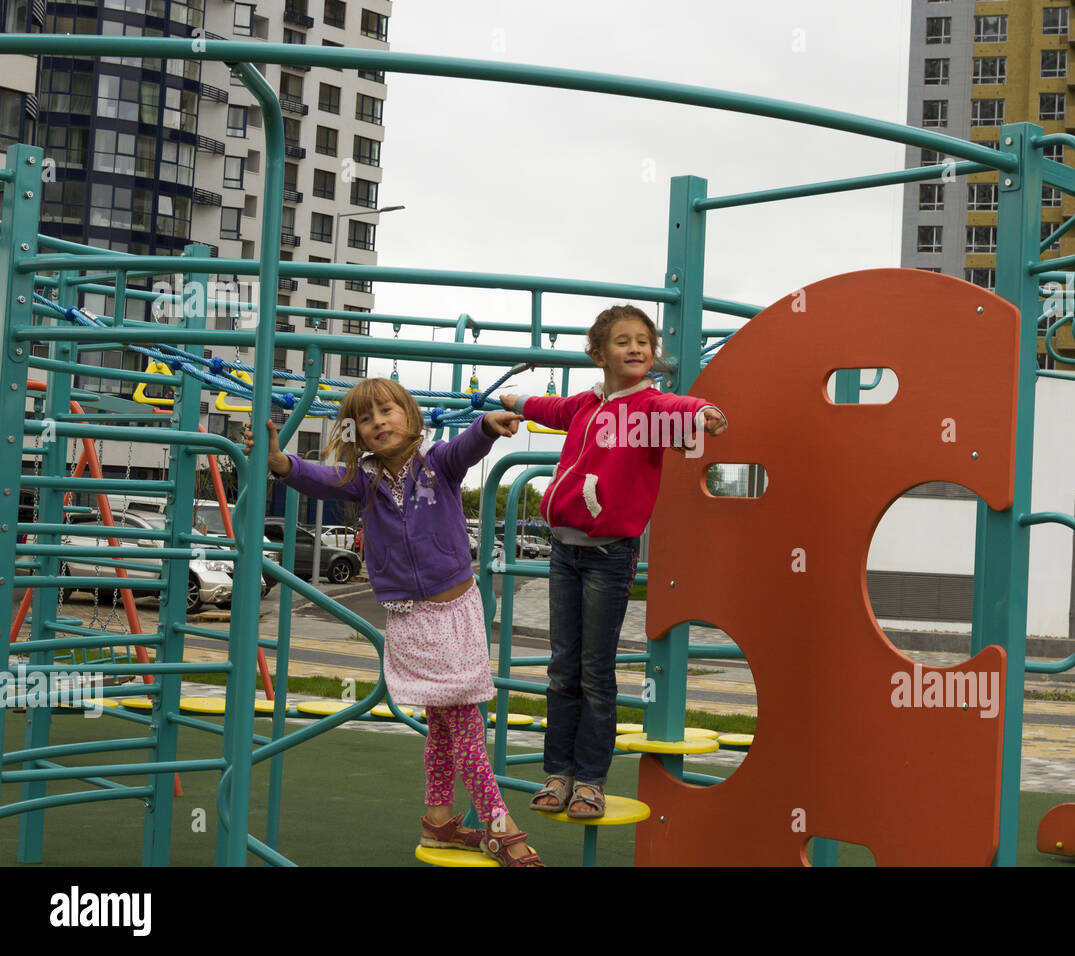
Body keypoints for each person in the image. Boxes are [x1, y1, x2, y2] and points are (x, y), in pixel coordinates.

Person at [244, 378, 542, 866]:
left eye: (387, 410)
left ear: (410, 416)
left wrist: (486, 424)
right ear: (356, 433)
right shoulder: (363, 480)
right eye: (366, 418)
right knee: (455, 721)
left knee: (453, 720)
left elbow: (467, 447)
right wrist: (280, 463)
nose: (378, 422)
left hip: (459, 610)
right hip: (411, 616)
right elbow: (319, 478)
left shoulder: (438, 463)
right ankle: (492, 823)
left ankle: (440, 819)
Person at [500, 304, 728, 819]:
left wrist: (705, 414)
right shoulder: (587, 403)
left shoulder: (649, 407)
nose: (636, 349)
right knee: (562, 668)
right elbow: (548, 407)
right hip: (563, 551)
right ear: (599, 353)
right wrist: (513, 399)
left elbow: (682, 407)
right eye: (623, 341)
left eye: (643, 342)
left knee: (595, 672)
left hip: (608, 556)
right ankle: (557, 773)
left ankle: (591, 782)